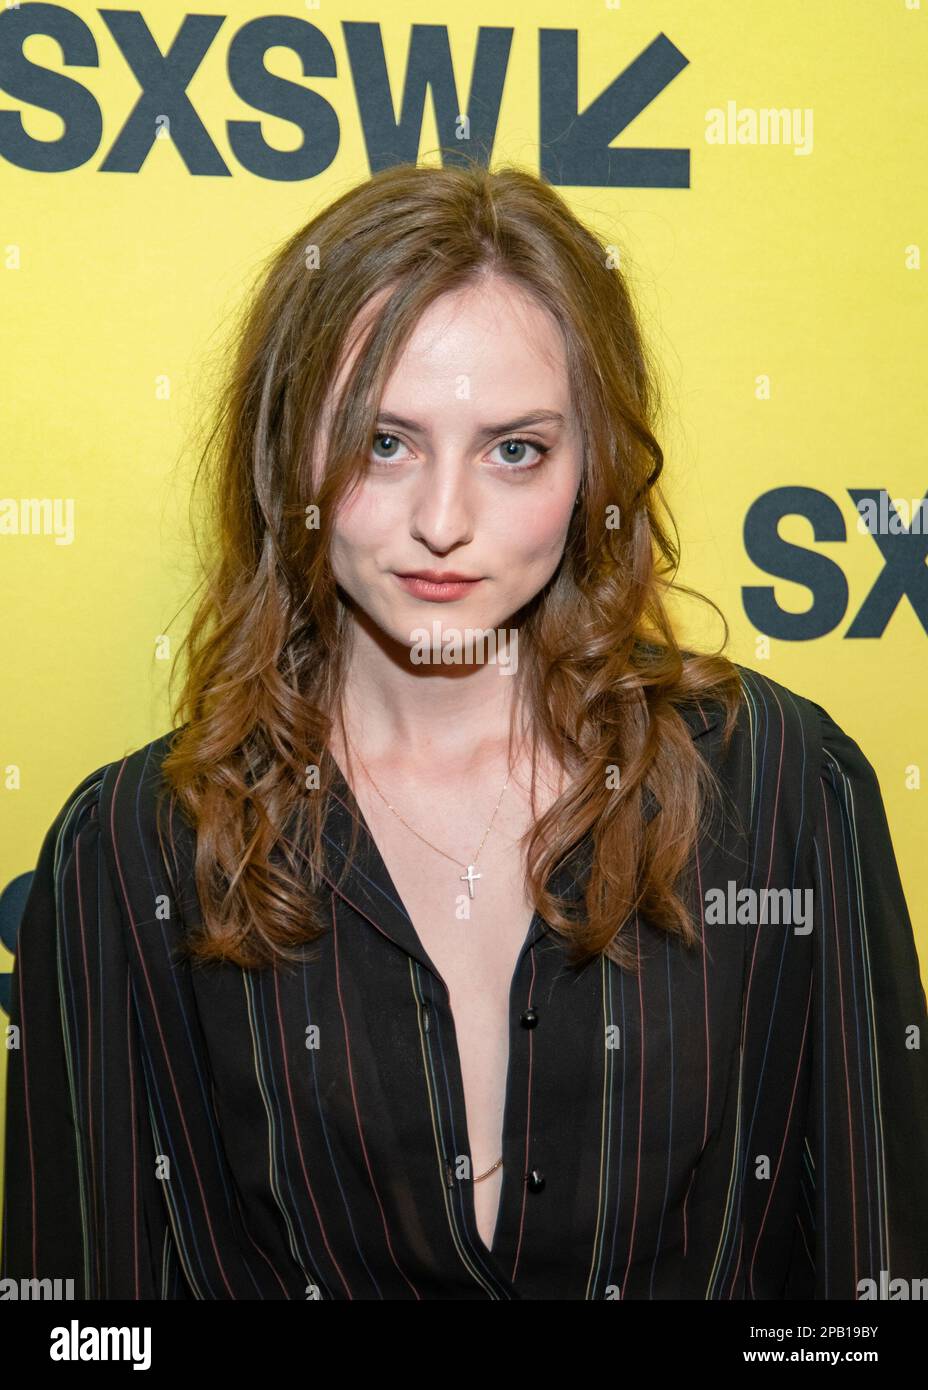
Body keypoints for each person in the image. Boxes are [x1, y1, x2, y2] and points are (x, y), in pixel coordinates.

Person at [3, 160, 927, 1301]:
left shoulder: (782, 785)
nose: (443, 521)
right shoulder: (129, 849)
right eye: (382, 443)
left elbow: (869, 1277)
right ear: (285, 448)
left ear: (595, 469)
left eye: (514, 450)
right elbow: (86, 1320)